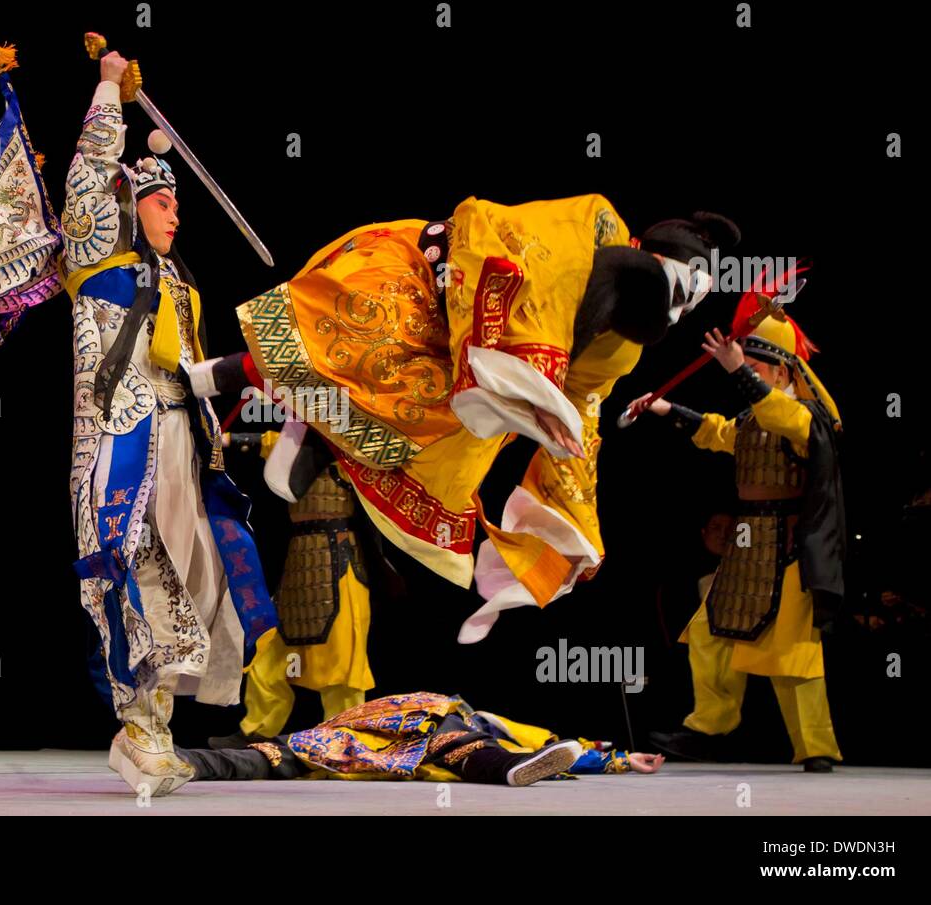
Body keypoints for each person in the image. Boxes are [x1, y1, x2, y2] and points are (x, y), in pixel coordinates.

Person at [0, 41, 276, 796]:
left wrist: (251, 369)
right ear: (124, 203)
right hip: (119, 444)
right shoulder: (94, 249)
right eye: (161, 200)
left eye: (177, 201)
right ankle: (136, 731)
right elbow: (88, 168)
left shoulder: (177, 282)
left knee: (187, 581)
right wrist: (109, 88)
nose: (175, 211)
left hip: (182, 445)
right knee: (133, 575)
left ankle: (158, 729)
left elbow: (189, 372)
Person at [191, 201, 739, 642]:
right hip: (427, 281)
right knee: (362, 338)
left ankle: (320, 436)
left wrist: (572, 526)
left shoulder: (621, 349)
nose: (678, 314)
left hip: (464, 364)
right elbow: (496, 241)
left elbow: (582, 414)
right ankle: (228, 374)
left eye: (688, 310)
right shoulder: (588, 227)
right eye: (679, 296)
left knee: (438, 423)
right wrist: (518, 380)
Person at [636, 286, 845, 772]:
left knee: (791, 653)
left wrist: (735, 370)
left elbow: (780, 414)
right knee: (710, 634)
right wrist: (667, 410)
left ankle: (815, 746)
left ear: (784, 371)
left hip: (789, 545)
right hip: (749, 543)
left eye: (757, 367)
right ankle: (708, 728)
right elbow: (720, 433)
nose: (749, 374)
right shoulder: (754, 419)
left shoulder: (803, 417)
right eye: (746, 367)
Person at [207, 430, 376, 749]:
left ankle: (346, 739)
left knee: (343, 661)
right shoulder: (294, 443)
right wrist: (215, 435)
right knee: (271, 652)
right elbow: (258, 442)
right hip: (301, 557)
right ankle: (257, 730)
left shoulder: (360, 450)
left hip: (342, 559)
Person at [180, 691, 664, 785]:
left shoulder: (482, 729)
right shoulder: (462, 715)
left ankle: (188, 764)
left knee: (283, 754)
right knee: (284, 749)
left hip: (372, 743)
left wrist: (619, 760)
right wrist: (610, 759)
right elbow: (554, 746)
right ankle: (179, 760)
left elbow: (557, 748)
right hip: (397, 722)